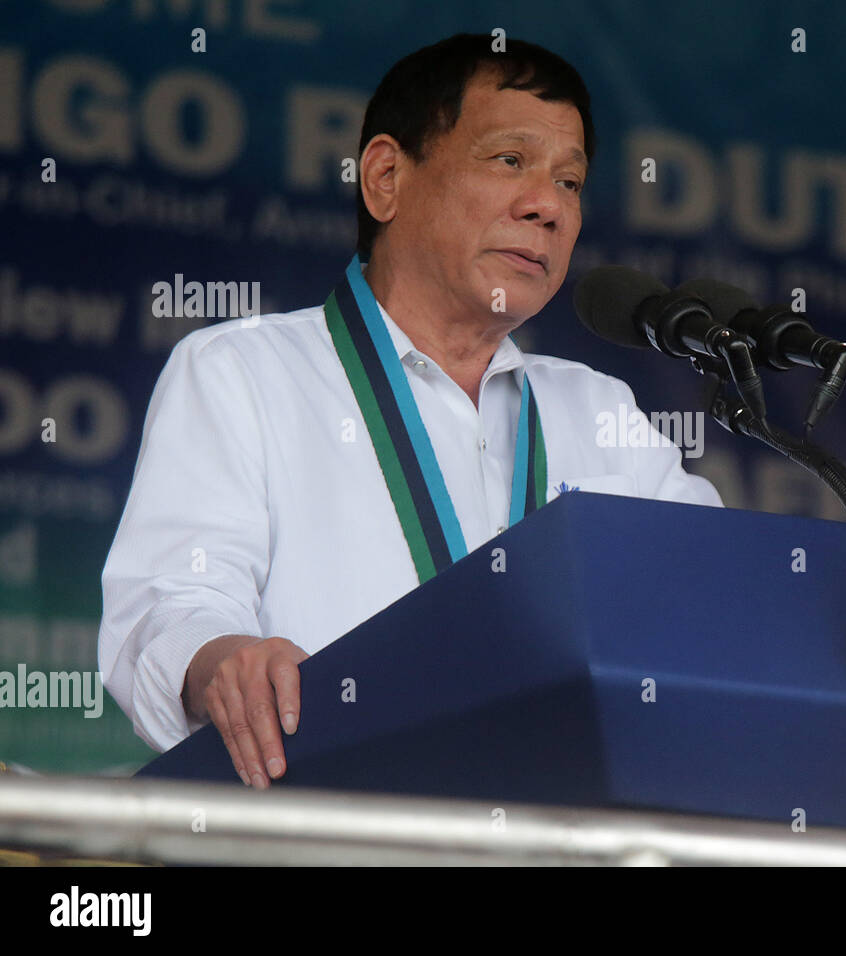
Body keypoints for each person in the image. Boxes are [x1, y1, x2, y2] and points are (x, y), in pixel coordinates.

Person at [98, 34, 721, 789]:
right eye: (510, 161)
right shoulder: (244, 370)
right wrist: (225, 658)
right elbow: (172, 600)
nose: (548, 207)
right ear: (387, 177)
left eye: (571, 181)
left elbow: (708, 596)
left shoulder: (598, 410)